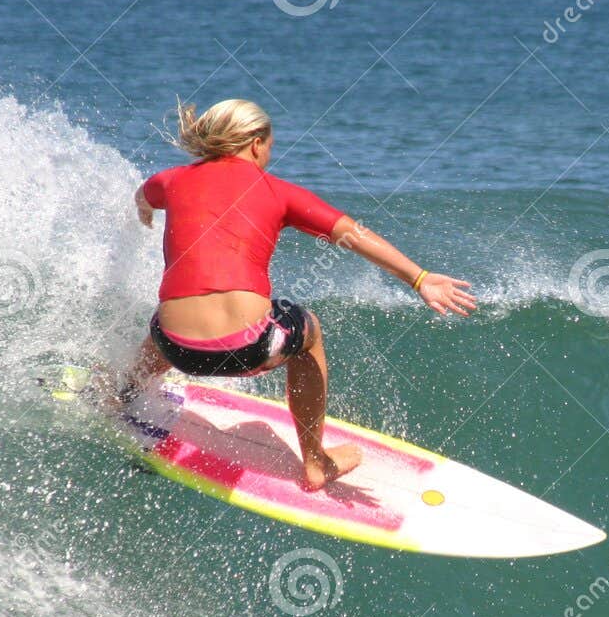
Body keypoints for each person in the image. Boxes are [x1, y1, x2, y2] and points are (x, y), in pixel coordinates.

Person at [112, 98, 476, 490]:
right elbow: (353, 235)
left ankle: (124, 394)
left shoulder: (171, 180)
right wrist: (419, 279)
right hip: (248, 350)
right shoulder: (278, 192)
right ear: (255, 143)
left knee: (167, 317)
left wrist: (147, 212)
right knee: (309, 332)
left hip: (175, 349)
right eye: (270, 144)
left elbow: (143, 196)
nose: (270, 152)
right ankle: (316, 463)